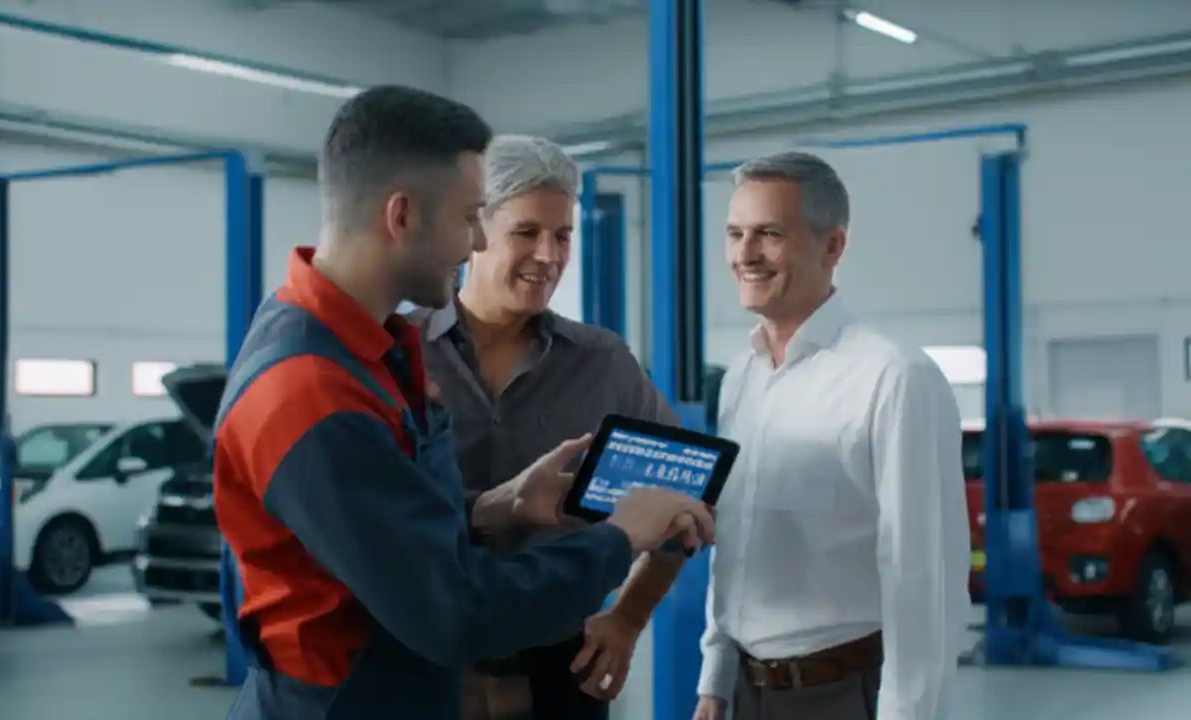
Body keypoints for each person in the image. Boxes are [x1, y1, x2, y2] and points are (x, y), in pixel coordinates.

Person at [212, 85, 716, 720]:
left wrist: (496, 508)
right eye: (473, 216)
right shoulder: (315, 391)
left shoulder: (363, 350)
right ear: (402, 216)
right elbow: (450, 610)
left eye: (563, 235)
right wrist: (617, 539)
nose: (475, 240)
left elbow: (394, 525)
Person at [415, 135, 685, 720]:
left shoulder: (602, 362)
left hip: (561, 678)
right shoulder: (396, 351)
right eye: (527, 232)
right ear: (475, 233)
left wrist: (628, 617)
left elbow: (680, 502)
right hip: (416, 669)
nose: (550, 255)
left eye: (563, 235)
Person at [691, 152, 970, 720]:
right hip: (747, 691)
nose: (745, 255)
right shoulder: (742, 376)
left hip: (844, 694)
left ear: (833, 246)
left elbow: (924, 581)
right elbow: (736, 550)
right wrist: (715, 678)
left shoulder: (893, 377)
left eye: (769, 234)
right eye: (735, 233)